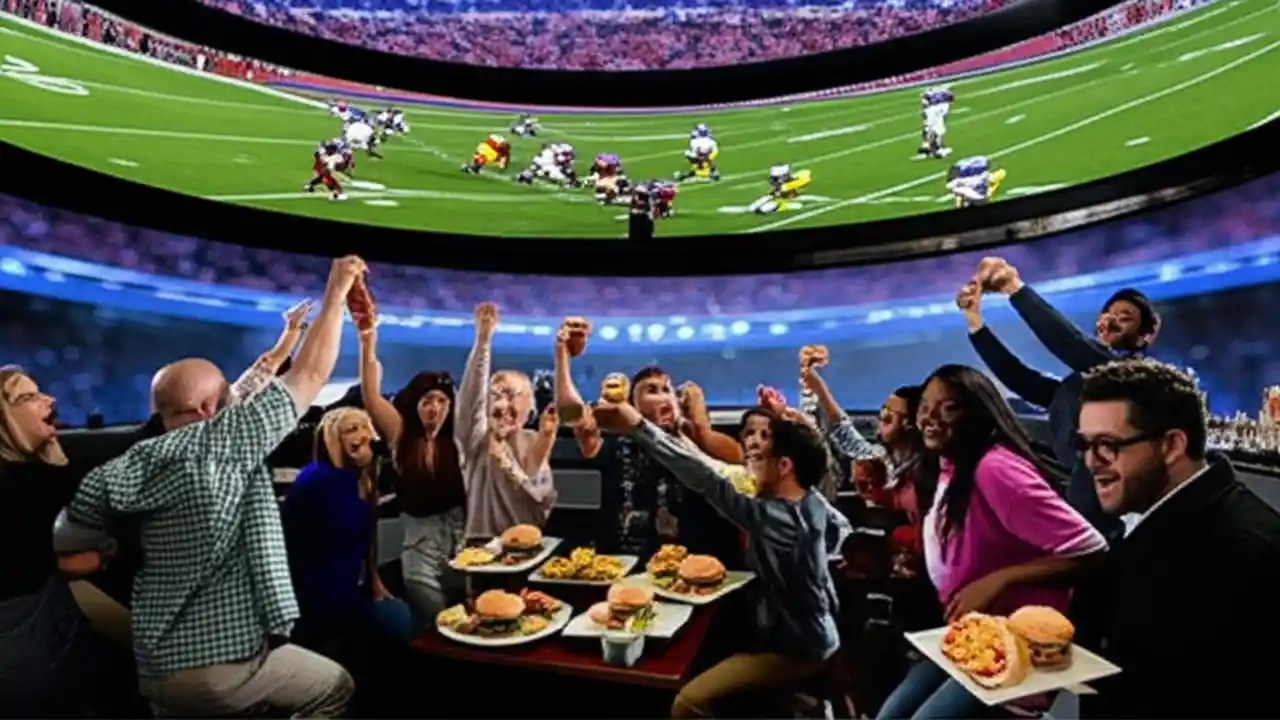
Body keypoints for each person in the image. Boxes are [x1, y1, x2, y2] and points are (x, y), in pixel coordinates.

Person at [56, 256, 367, 717]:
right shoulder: (227, 439)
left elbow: (68, 550)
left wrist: (112, 554)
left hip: (154, 668)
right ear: (209, 410)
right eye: (225, 400)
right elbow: (309, 375)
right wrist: (337, 290)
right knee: (336, 687)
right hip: (221, 666)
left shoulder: (122, 462)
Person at [876, 365, 1106, 720]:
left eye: (948, 407)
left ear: (976, 414)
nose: (929, 418)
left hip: (1016, 642)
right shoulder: (950, 465)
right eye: (924, 407)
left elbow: (1091, 550)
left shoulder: (995, 469)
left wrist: (1000, 579)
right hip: (974, 633)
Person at [592, 400, 848, 719]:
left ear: (784, 466)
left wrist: (638, 427)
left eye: (762, 457)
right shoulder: (812, 502)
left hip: (791, 647)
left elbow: (705, 477)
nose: (752, 461)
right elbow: (842, 530)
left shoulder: (773, 517)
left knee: (686, 702)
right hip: (803, 630)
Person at [1071, 359, 1280, 718]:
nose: (1091, 462)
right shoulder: (1146, 514)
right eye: (1084, 444)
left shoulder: (1239, 554)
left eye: (1107, 445)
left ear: (1171, 445)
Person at [958, 256, 1160, 536]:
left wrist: (1014, 288)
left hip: (1113, 525)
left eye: (1124, 317)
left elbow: (1070, 344)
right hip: (1075, 512)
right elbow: (1021, 379)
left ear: (1144, 337)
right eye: (1107, 313)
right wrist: (975, 322)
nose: (1111, 319)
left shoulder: (1138, 377)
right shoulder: (1078, 385)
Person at [0, 366, 140, 717]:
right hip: (21, 643)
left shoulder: (28, 475)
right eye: (29, 397)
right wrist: (107, 557)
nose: (49, 400)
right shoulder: (25, 485)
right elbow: (59, 565)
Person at [282, 407, 412, 653]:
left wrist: (375, 581)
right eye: (351, 429)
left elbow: (366, 537)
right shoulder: (316, 480)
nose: (363, 435)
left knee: (400, 619)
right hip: (315, 599)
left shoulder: (361, 480)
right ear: (332, 439)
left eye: (365, 428)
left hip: (350, 592)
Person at [358, 320, 465, 619]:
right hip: (419, 547)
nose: (435, 408)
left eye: (442, 401)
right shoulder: (401, 434)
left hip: (463, 545)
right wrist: (367, 340)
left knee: (468, 623)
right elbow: (371, 397)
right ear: (415, 403)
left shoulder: (458, 439)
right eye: (428, 400)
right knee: (433, 623)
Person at [456, 302, 558, 542]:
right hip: (479, 547)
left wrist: (545, 440)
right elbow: (471, 399)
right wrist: (483, 342)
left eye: (511, 396)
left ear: (529, 408)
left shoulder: (533, 440)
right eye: (496, 396)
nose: (502, 406)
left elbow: (539, 498)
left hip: (526, 546)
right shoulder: (476, 440)